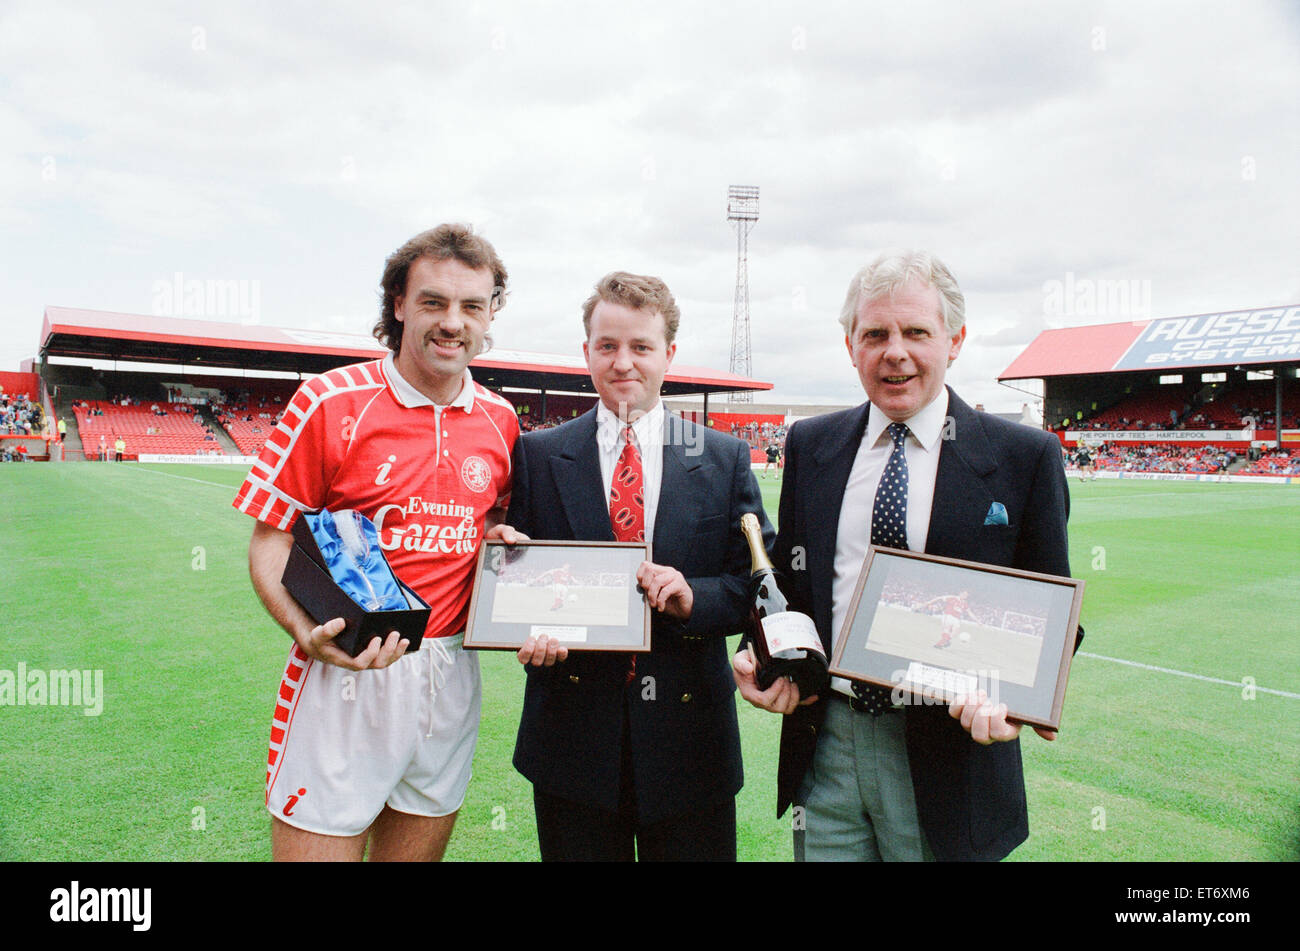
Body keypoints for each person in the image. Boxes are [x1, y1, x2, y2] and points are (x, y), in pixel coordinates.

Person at [733, 249, 1076, 862]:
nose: (895, 351)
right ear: (850, 346)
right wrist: (760, 652)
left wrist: (1012, 699)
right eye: (875, 334)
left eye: (917, 331)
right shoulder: (811, 444)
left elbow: (1051, 611)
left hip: (950, 753)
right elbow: (793, 581)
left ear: (955, 340)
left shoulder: (1026, 456)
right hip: (827, 741)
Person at [232, 224, 519, 861]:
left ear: (491, 312)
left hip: (449, 672)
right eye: (433, 302)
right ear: (397, 304)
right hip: (346, 673)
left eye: (473, 305)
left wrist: (502, 543)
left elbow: (494, 529)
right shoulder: (331, 402)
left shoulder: (501, 422)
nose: (453, 322)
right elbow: (270, 541)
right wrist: (306, 630)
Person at [499, 271, 773, 861]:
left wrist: (693, 597)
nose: (624, 363)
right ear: (587, 352)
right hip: (571, 738)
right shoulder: (538, 454)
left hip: (690, 743)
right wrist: (518, 611)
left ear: (669, 354)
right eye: (608, 346)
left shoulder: (723, 459)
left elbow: (760, 583)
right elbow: (515, 572)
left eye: (641, 347)